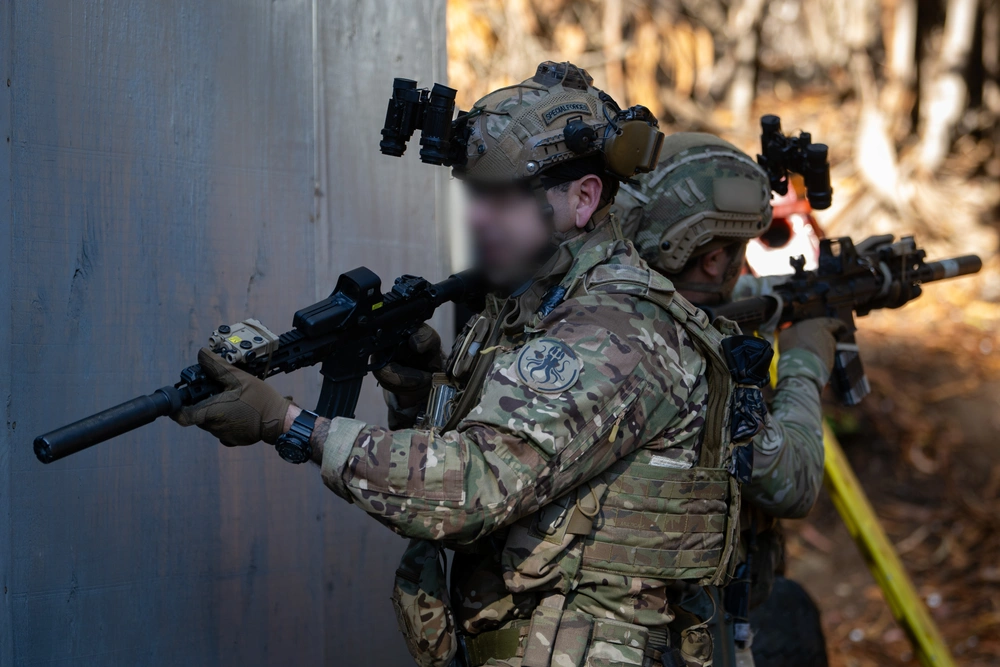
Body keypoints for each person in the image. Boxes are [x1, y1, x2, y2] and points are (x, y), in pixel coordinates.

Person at [172, 62, 769, 667]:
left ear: (584, 198)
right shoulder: (535, 306)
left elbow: (472, 490)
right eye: (475, 196)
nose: (478, 218)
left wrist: (291, 424)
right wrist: (421, 392)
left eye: (503, 198)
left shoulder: (615, 329)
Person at [612, 133, 842, 666]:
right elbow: (793, 483)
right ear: (715, 260)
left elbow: (708, 299)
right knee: (790, 614)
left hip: (595, 622)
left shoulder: (601, 312)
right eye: (736, 253)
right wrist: (804, 364)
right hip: (663, 631)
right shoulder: (695, 363)